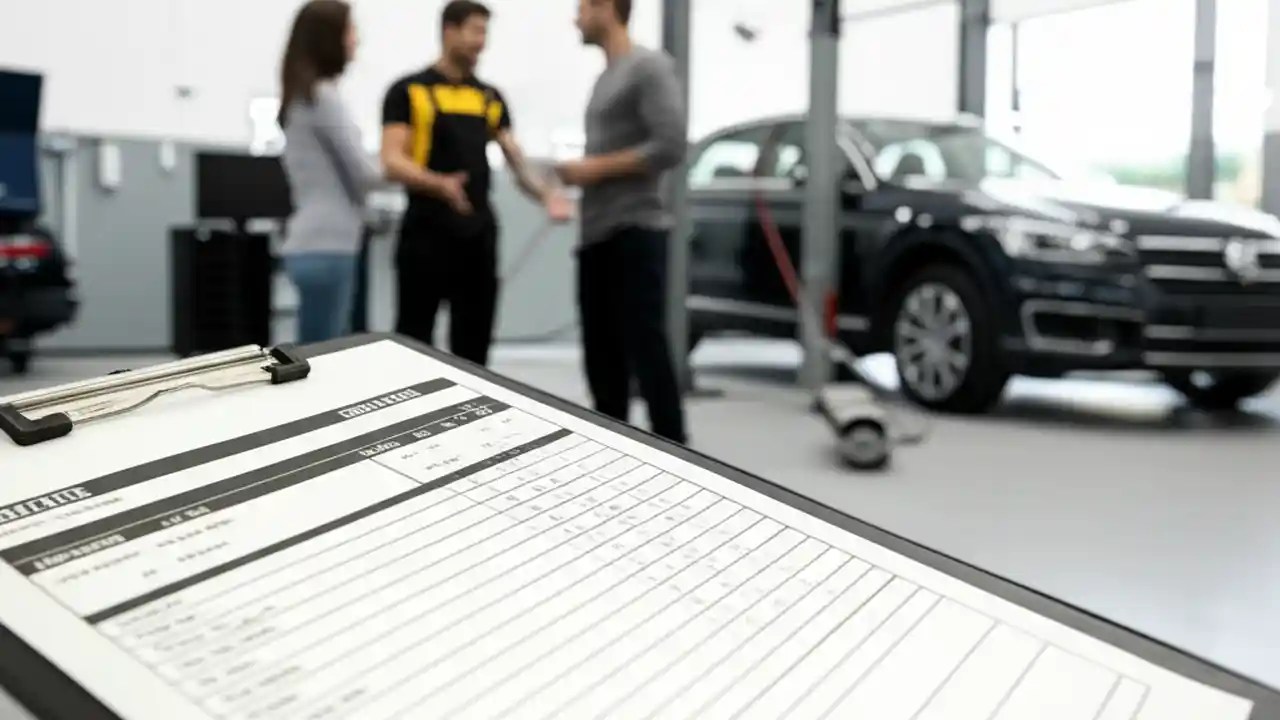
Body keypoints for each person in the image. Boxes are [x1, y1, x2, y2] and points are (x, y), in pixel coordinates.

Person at [380, 0, 570, 367]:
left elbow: (515, 158)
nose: (482, 42)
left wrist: (547, 194)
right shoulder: (408, 92)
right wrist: (439, 185)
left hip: (477, 237)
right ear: (449, 30)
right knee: (412, 339)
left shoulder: (488, 97)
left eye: (485, 33)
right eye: (475, 31)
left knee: (474, 346)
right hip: (425, 235)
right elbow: (392, 160)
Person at [555, 0, 688, 445]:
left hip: (635, 231)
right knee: (602, 359)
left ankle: (676, 449)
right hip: (595, 235)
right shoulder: (602, 80)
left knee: (647, 351)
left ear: (607, 8)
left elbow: (669, 145)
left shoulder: (649, 68)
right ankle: (613, 449)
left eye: (581, 8)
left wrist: (594, 169)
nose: (575, 18)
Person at [278, 0, 381, 344]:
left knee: (319, 349)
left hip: (316, 243)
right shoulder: (322, 96)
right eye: (350, 31)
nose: (357, 40)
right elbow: (364, 174)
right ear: (330, 38)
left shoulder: (304, 95)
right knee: (322, 358)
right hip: (328, 245)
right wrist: (411, 169)